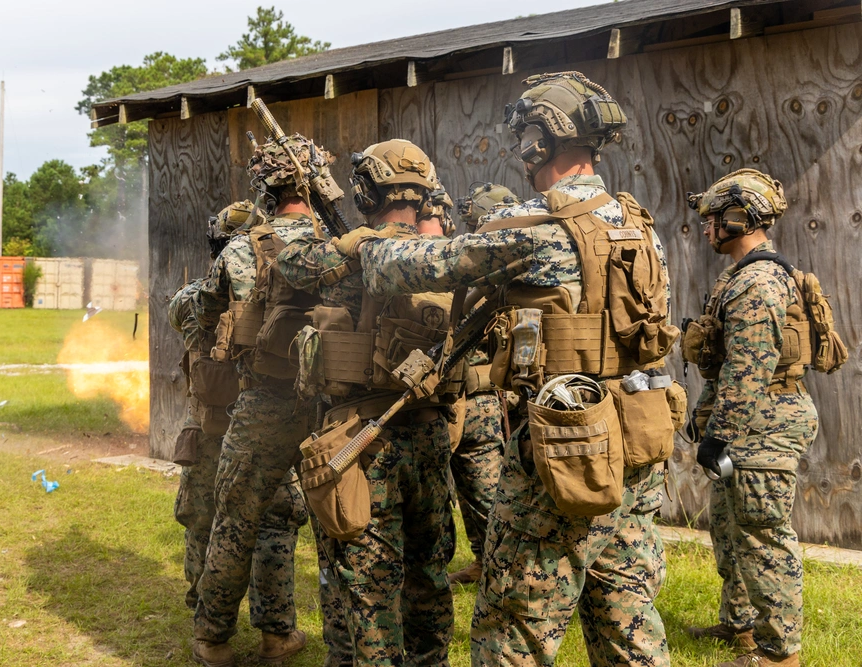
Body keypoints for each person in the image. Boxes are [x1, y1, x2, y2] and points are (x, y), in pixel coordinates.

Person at [337, 71, 678, 666]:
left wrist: (367, 243)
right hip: (637, 438)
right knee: (628, 620)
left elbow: (422, 264)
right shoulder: (635, 224)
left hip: (566, 446)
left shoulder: (542, 229)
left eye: (525, 135)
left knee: (512, 626)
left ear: (541, 141)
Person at [276, 139, 459, 665]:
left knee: (367, 582)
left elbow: (291, 267)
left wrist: (345, 245)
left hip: (361, 440)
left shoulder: (354, 254)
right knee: (428, 572)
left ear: (366, 191)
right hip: (428, 433)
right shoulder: (443, 255)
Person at [189, 137, 341, 667]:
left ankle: (213, 640)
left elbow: (203, 310)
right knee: (335, 526)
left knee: (236, 520)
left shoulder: (239, 249)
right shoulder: (341, 241)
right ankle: (297, 639)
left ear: (264, 190)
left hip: (264, 403)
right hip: (331, 409)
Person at [683, 169, 835, 667]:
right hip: (750, 421)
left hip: (763, 423)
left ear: (738, 218)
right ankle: (742, 628)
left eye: (712, 219)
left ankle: (779, 654)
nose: (706, 229)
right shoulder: (740, 274)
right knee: (730, 528)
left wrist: (718, 434)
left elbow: (749, 369)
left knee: (763, 535)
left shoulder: (757, 283)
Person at [168, 202, 308, 642]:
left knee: (204, 518)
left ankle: (204, 617)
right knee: (273, 522)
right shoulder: (281, 282)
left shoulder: (194, 295)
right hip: (260, 420)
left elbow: (182, 312)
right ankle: (276, 632)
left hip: (210, 425)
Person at [419, 190, 508, 587]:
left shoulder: (499, 271)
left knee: (485, 490)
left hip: (481, 401)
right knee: (458, 489)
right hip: (447, 395)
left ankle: (504, 568)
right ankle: (482, 559)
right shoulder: (460, 262)